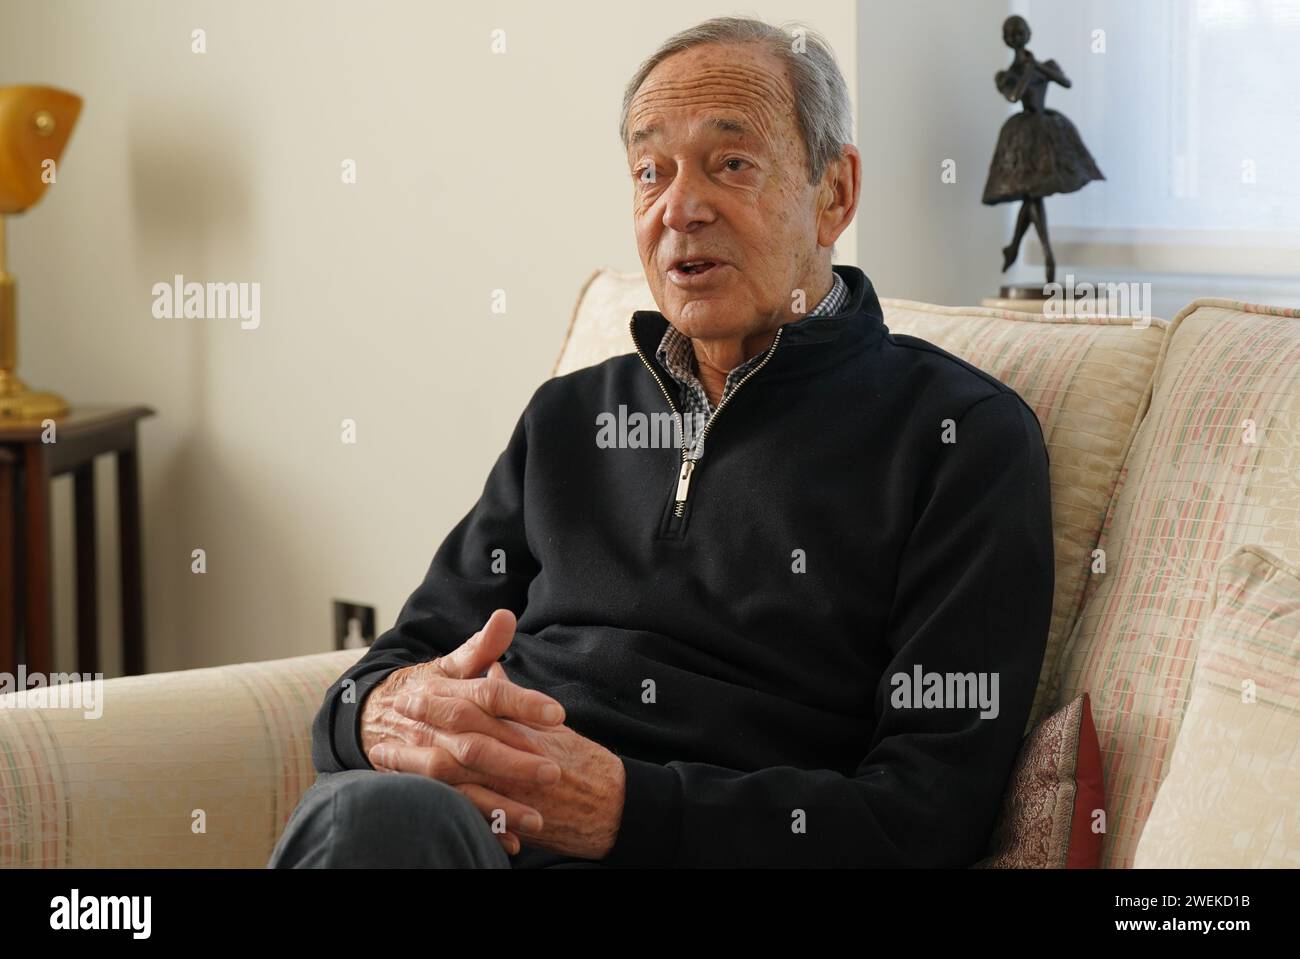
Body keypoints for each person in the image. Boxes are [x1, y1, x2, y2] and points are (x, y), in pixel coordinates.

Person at [269, 15, 1054, 870]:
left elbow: (927, 816)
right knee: (372, 816)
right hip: (461, 839)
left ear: (835, 193)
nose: (680, 207)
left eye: (732, 164)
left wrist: (620, 809)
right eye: (651, 171)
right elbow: (392, 667)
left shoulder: (960, 439)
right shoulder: (568, 417)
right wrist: (384, 710)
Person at [982, 14, 1105, 282]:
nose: (1016, 37)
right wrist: (1027, 70)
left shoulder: (1044, 65)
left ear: (1028, 35)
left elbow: (1065, 82)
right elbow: (1014, 96)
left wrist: (1036, 65)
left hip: (1047, 130)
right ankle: (1044, 255)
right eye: (1011, 34)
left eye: (1020, 32)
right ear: (1006, 39)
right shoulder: (1005, 75)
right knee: (1032, 195)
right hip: (1023, 134)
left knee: (1033, 195)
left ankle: (1018, 248)